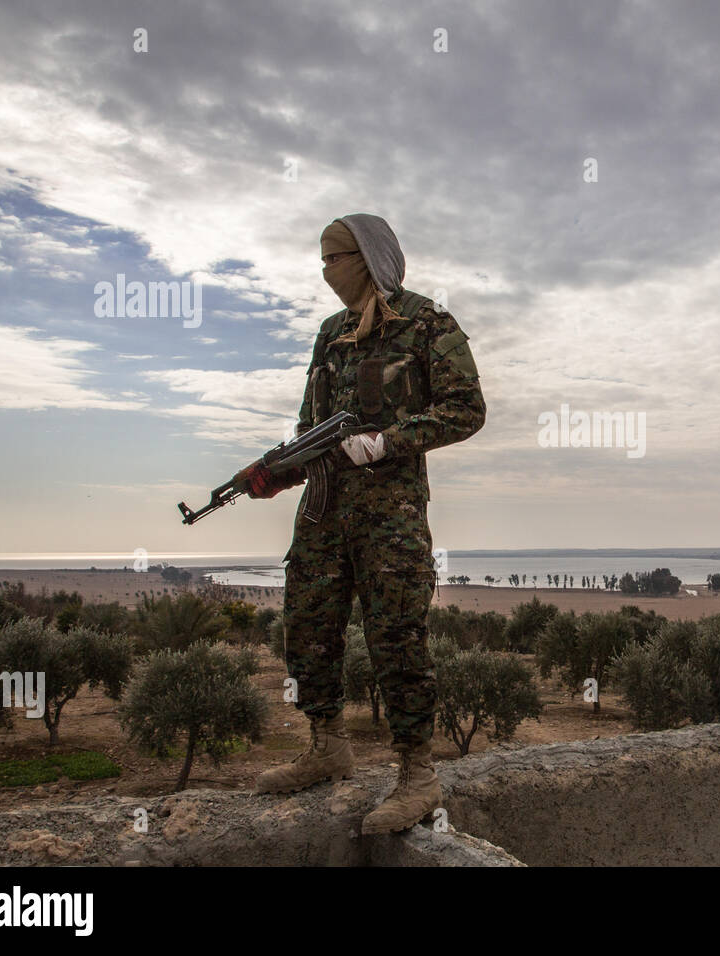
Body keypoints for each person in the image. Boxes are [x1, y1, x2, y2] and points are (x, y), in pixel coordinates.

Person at [243, 214, 485, 835]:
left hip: (391, 519)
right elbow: (310, 431)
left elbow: (467, 410)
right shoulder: (330, 334)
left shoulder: (427, 325)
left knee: (397, 639)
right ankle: (327, 746)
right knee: (308, 624)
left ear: (368, 257)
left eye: (334, 258)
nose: (325, 271)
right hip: (324, 513)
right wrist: (275, 473)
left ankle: (417, 774)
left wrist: (390, 441)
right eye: (322, 260)